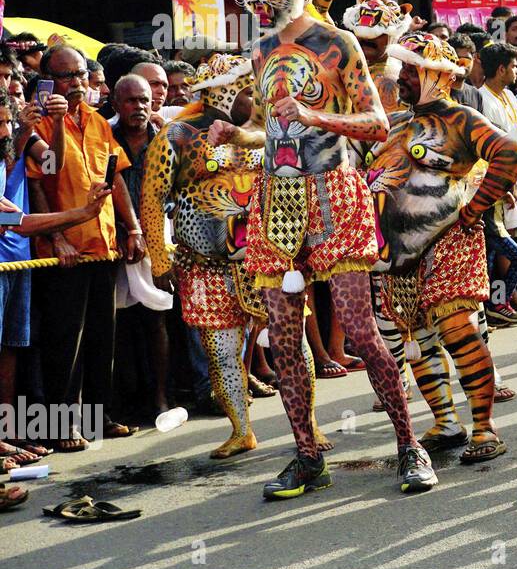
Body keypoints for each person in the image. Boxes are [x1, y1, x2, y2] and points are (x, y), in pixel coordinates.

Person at [209, 0, 435, 498]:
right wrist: (241, 136)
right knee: (284, 336)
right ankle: (307, 455)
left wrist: (314, 113)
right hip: (276, 199)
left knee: (360, 331)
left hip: (333, 191)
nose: (260, 2)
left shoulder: (338, 43)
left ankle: (409, 443)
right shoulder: (261, 51)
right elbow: (276, 132)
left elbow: (378, 123)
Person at [143, 54, 324, 458]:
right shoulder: (176, 136)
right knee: (222, 352)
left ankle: (308, 423)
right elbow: (152, 199)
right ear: (220, 92)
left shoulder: (269, 130)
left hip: (269, 258)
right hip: (204, 266)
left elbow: (299, 185)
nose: (253, 95)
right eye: (245, 88)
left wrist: (303, 246)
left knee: (291, 344)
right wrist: (159, 258)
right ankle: (242, 430)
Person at [367, 31, 517, 463]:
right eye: (405, 70)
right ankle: (446, 423)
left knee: (458, 330)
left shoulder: (461, 120)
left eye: (413, 70)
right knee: (419, 340)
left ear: (439, 75)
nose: (405, 78)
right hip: (397, 259)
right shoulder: (398, 122)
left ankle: (485, 429)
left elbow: (508, 153)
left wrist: (475, 209)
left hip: (451, 241)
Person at [27, 43, 144, 450]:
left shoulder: (96, 121)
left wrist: (134, 230)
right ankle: (61, 426)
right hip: (65, 250)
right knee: (65, 340)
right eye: (65, 76)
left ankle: (99, 417)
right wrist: (55, 237)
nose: (75, 84)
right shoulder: (38, 126)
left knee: (101, 334)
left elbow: (116, 181)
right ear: (46, 81)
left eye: (79, 75)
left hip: (104, 243)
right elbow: (41, 180)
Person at [110, 74, 173, 421]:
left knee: (157, 320)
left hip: (159, 242)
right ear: (117, 104)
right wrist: (124, 229)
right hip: (115, 242)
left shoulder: (164, 140)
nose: (140, 107)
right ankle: (125, 401)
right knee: (119, 325)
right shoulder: (105, 137)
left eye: (145, 100)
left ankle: (161, 398)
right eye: (132, 101)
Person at [477, 42, 517, 327]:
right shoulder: (481, 99)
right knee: (494, 251)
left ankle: (496, 306)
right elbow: (487, 148)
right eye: (512, 66)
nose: (516, 71)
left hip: (513, 181)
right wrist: (501, 183)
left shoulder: (509, 95)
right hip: (493, 185)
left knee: (495, 250)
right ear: (500, 69)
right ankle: (494, 306)